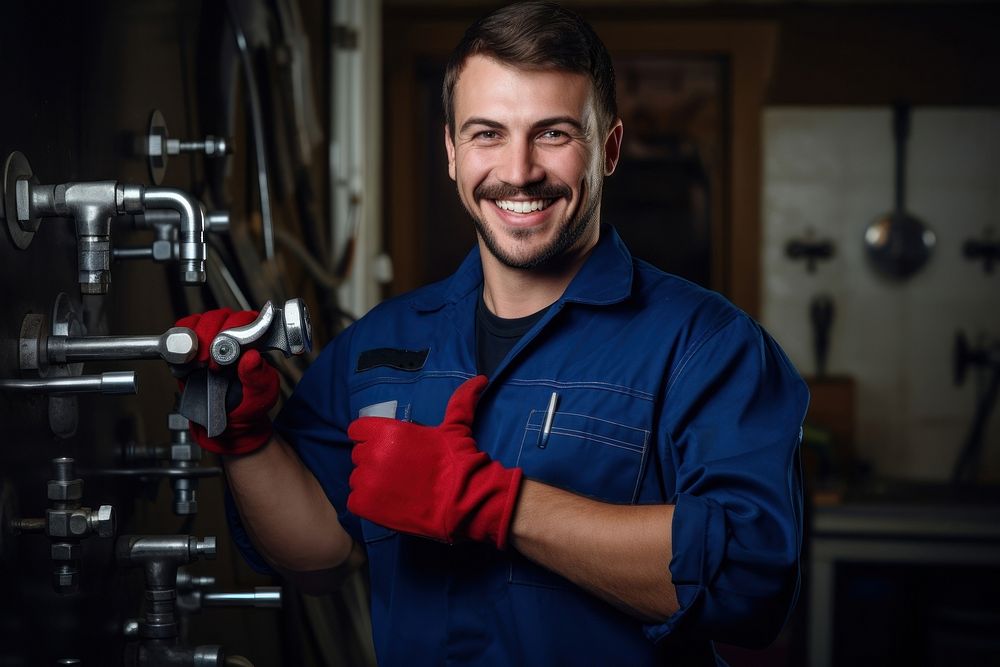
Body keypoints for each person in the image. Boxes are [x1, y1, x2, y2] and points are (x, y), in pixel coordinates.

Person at [178, 2, 808, 664]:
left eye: (554, 134)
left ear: (610, 149)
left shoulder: (706, 347)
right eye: (487, 134)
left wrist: (498, 504)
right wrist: (245, 440)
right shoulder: (380, 346)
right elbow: (320, 553)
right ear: (451, 151)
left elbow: (750, 582)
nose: (519, 170)